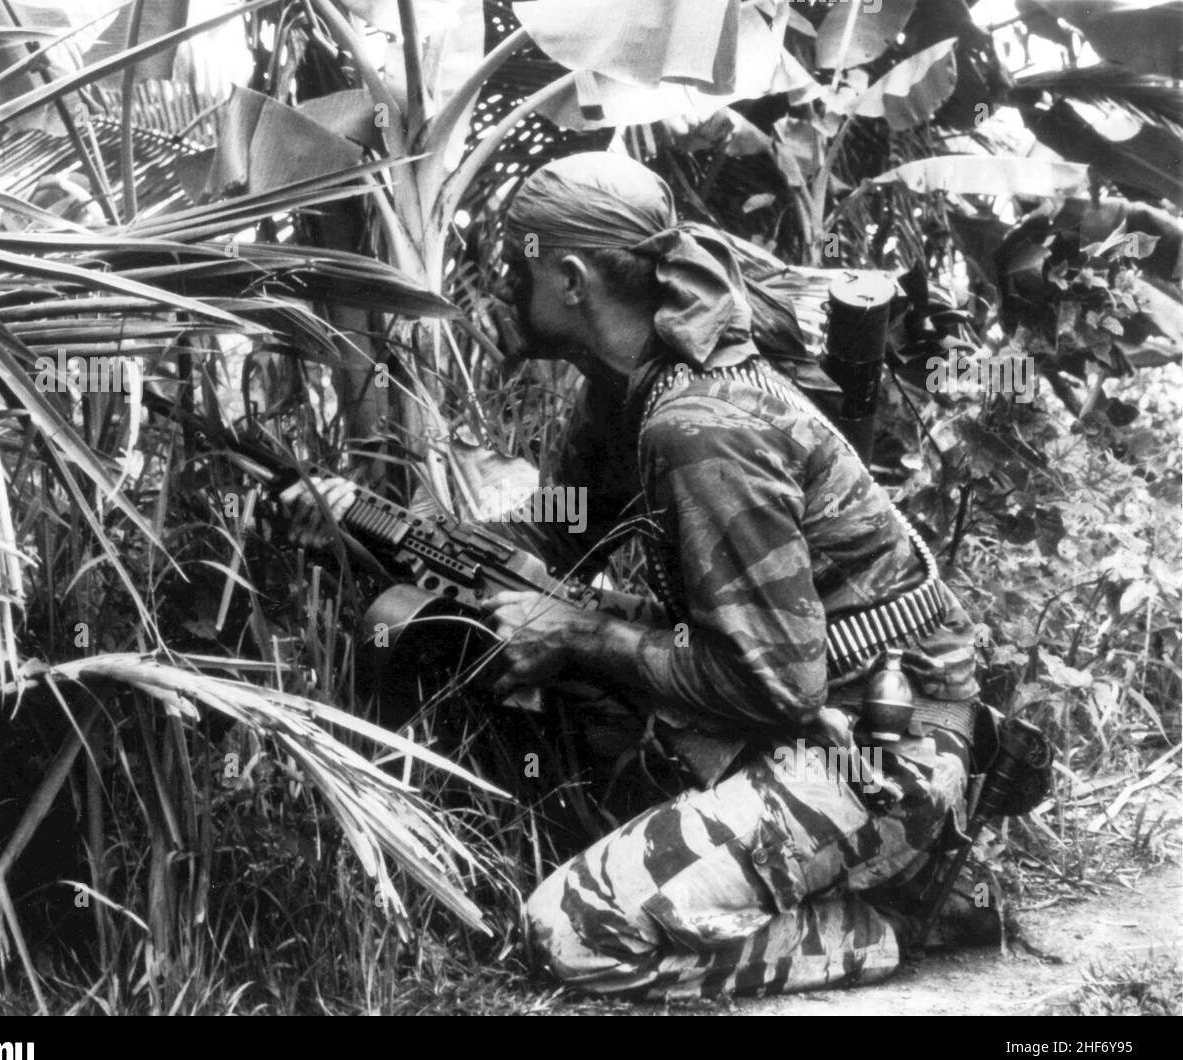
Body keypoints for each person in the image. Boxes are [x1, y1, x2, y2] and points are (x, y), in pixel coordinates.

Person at [293, 152, 985, 1000]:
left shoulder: (700, 426)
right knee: (551, 613)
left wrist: (584, 634)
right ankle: (806, 871)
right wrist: (363, 522)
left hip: (877, 752)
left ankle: (899, 915)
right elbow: (553, 539)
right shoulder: (627, 396)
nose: (506, 281)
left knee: (574, 933)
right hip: (800, 713)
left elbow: (778, 684)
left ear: (573, 278)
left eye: (521, 261)